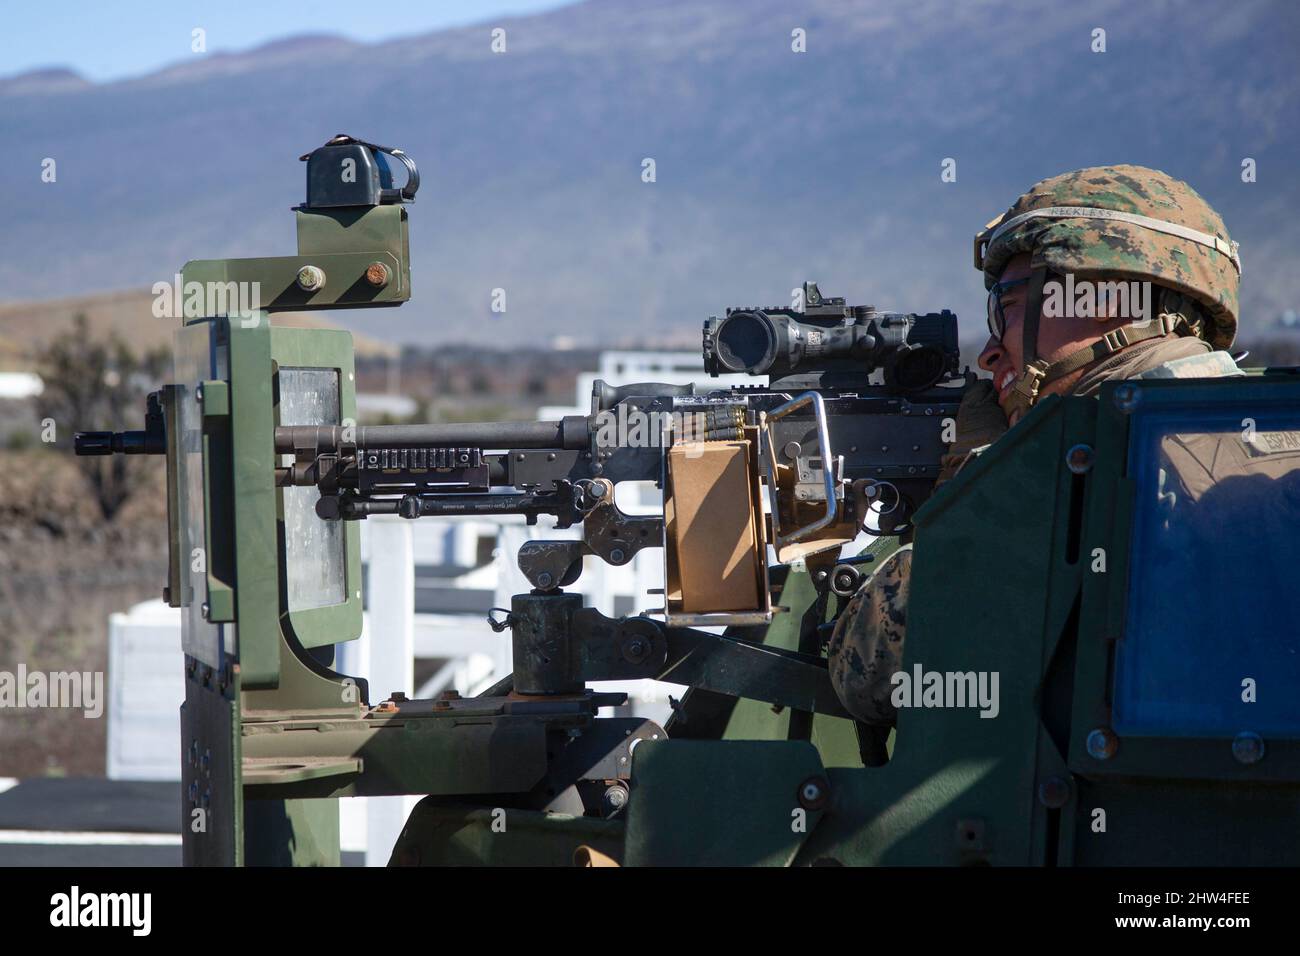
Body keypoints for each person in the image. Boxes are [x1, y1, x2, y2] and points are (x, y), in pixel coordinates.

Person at [828, 164, 1264, 727]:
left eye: (1007, 308)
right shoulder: (1263, 436)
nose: (988, 355)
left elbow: (872, 678)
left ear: (1097, 298)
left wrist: (980, 488)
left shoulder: (1109, 468)